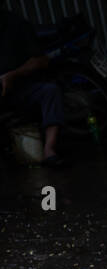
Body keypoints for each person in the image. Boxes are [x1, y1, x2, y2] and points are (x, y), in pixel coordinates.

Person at [0, 10, 64, 165]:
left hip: (24, 87)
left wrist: (12, 76)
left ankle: (49, 149)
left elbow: (41, 61)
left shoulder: (17, 24)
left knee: (50, 91)